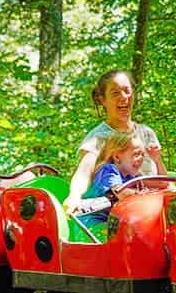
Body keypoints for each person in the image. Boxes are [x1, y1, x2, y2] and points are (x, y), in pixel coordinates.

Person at [64, 69, 164, 212]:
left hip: (157, 206)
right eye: (115, 93)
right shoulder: (98, 137)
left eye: (127, 91)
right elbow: (83, 172)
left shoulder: (147, 133)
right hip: (124, 211)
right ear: (102, 100)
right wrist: (74, 196)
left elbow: (162, 176)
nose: (124, 97)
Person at [76, 130, 154, 229]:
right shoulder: (109, 170)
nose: (141, 158)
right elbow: (121, 193)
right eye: (136, 154)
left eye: (143, 155)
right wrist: (144, 195)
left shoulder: (131, 178)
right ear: (117, 156)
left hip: (112, 222)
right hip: (92, 222)